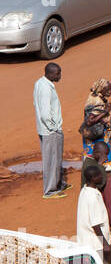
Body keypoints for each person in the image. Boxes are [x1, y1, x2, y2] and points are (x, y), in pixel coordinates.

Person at [34, 63, 66, 199]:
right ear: (50, 73)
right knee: (51, 160)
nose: (59, 76)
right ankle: (50, 190)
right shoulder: (46, 89)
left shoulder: (41, 83)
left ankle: (58, 183)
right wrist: (54, 128)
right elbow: (46, 114)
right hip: (50, 131)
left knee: (56, 158)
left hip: (47, 129)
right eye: (57, 73)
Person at [76, 163, 111, 260]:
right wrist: (105, 244)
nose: (102, 177)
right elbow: (95, 224)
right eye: (99, 175)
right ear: (93, 178)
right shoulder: (92, 197)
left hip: (87, 241)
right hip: (96, 244)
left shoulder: (85, 191)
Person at [80, 78, 111, 161]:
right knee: (101, 156)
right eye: (107, 89)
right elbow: (90, 121)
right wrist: (106, 111)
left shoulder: (93, 95)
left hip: (89, 133)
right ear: (101, 89)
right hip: (96, 133)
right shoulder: (98, 101)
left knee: (90, 157)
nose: (110, 92)